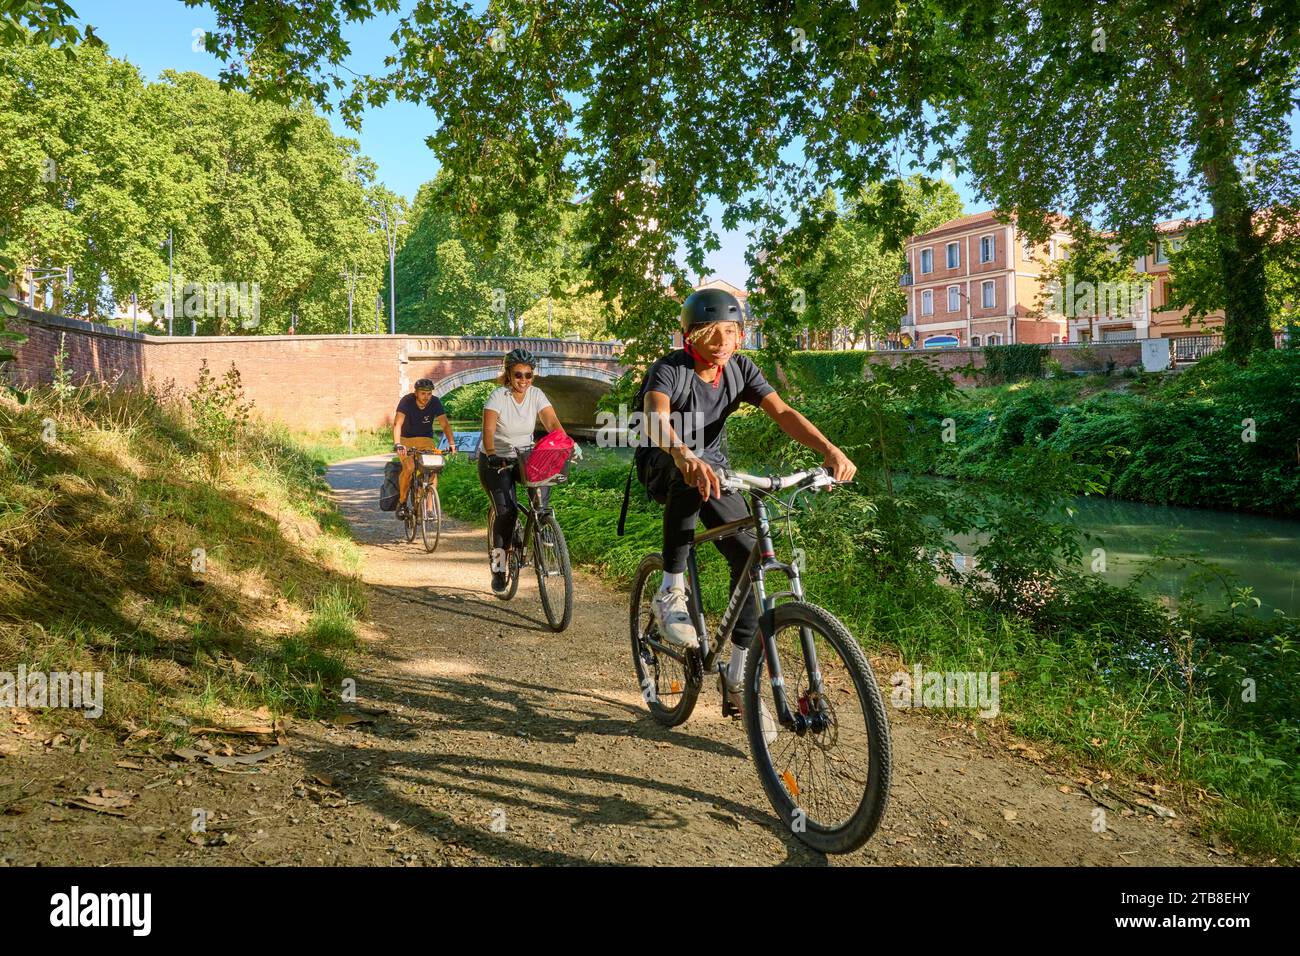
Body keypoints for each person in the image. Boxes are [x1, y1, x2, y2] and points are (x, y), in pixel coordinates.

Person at [639, 288, 857, 714]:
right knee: (691, 478)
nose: (723, 340)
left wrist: (829, 450)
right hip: (665, 459)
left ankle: (736, 673)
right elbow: (654, 416)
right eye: (711, 331)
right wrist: (683, 454)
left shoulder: (740, 369)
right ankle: (670, 591)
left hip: (716, 468)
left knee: (748, 553)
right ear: (690, 335)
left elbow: (784, 413)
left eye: (732, 331)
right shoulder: (670, 370)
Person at [479, 348, 569, 594]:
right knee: (506, 513)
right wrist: (491, 453)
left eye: (528, 375)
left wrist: (564, 444)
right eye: (518, 375)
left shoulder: (536, 394)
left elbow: (552, 423)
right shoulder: (498, 397)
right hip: (496, 460)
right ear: (508, 374)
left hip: (524, 457)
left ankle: (541, 522)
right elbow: (488, 432)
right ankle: (499, 567)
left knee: (543, 482)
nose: (524, 380)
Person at [393, 378, 457, 520]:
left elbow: (445, 424)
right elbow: (397, 424)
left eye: (429, 394)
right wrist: (398, 444)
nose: (426, 397)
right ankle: (402, 501)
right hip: (406, 440)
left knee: (432, 468)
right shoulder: (406, 401)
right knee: (409, 468)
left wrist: (452, 443)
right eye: (423, 393)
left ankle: (429, 508)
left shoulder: (435, 402)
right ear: (416, 393)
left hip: (426, 440)